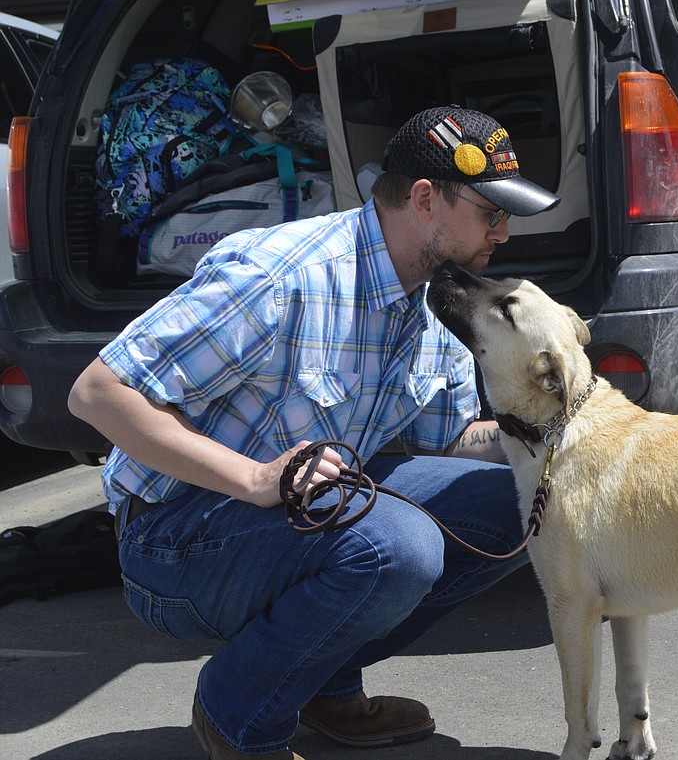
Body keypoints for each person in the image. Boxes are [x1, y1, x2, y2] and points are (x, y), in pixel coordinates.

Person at [68, 106, 560, 760]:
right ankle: (239, 715)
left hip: (297, 509)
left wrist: (546, 436)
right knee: (398, 546)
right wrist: (255, 477)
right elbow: (99, 393)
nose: (503, 231)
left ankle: (319, 682)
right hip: (172, 535)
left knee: (531, 501)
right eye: (490, 212)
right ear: (424, 199)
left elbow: (446, 439)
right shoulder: (280, 277)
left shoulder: (432, 297)